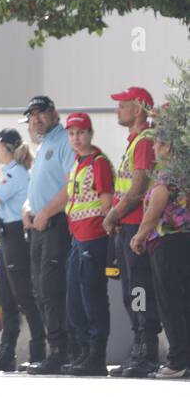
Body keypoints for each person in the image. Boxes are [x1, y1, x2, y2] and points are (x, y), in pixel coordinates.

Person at [101, 86, 161, 378]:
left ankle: (146, 351)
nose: (117, 109)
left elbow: (137, 189)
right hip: (129, 226)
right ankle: (139, 346)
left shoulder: (145, 142)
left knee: (139, 289)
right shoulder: (136, 141)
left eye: (122, 105)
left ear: (138, 109)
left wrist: (113, 213)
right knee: (131, 289)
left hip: (137, 226)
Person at [21, 96, 77, 375]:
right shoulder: (43, 146)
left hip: (56, 224)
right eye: (31, 115)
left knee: (53, 288)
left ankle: (61, 351)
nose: (35, 119)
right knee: (40, 289)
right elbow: (36, 188)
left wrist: (45, 213)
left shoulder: (65, 140)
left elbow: (71, 185)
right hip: (39, 228)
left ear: (54, 114)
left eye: (41, 113)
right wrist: (29, 208)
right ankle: (55, 349)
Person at [0, 128, 44, 371]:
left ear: (5, 148)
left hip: (16, 235)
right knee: (7, 298)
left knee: (24, 296)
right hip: (5, 236)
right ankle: (6, 354)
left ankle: (38, 351)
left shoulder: (16, 173)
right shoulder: (10, 172)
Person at [130, 127, 190, 378]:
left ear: (166, 147)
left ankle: (177, 361)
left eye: (157, 145)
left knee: (171, 304)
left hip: (168, 242)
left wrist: (139, 235)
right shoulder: (184, 171)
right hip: (183, 242)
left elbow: (157, 205)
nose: (153, 149)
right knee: (184, 303)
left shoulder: (168, 173)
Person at [59, 112, 114, 377]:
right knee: (75, 298)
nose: (76, 138)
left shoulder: (98, 162)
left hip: (94, 237)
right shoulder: (77, 164)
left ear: (90, 133)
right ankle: (81, 351)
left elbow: (106, 202)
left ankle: (96, 355)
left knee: (92, 297)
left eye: (80, 132)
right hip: (77, 239)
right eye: (71, 134)